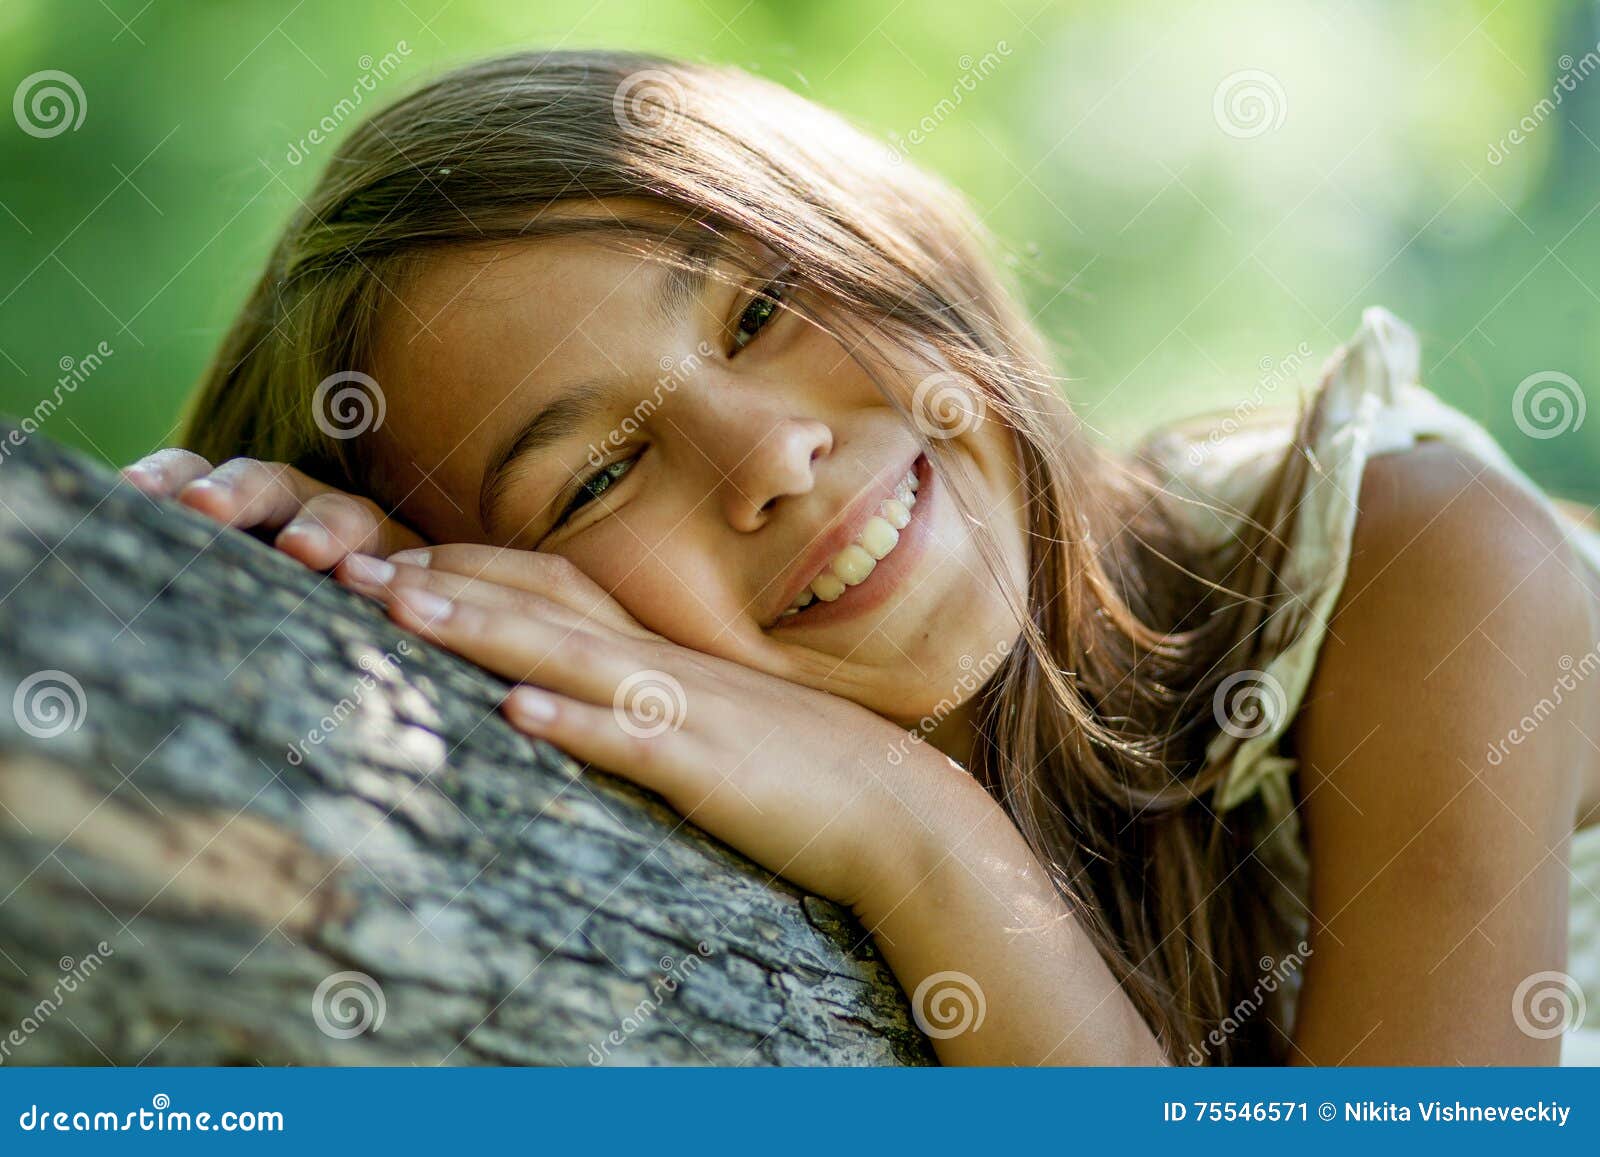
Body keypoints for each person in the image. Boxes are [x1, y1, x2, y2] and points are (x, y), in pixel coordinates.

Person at [125, 50, 1600, 1065]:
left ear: (889, 233)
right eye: (600, 477)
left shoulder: (1429, 570)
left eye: (760, 310)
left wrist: (922, 837)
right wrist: (395, 617)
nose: (771, 453)